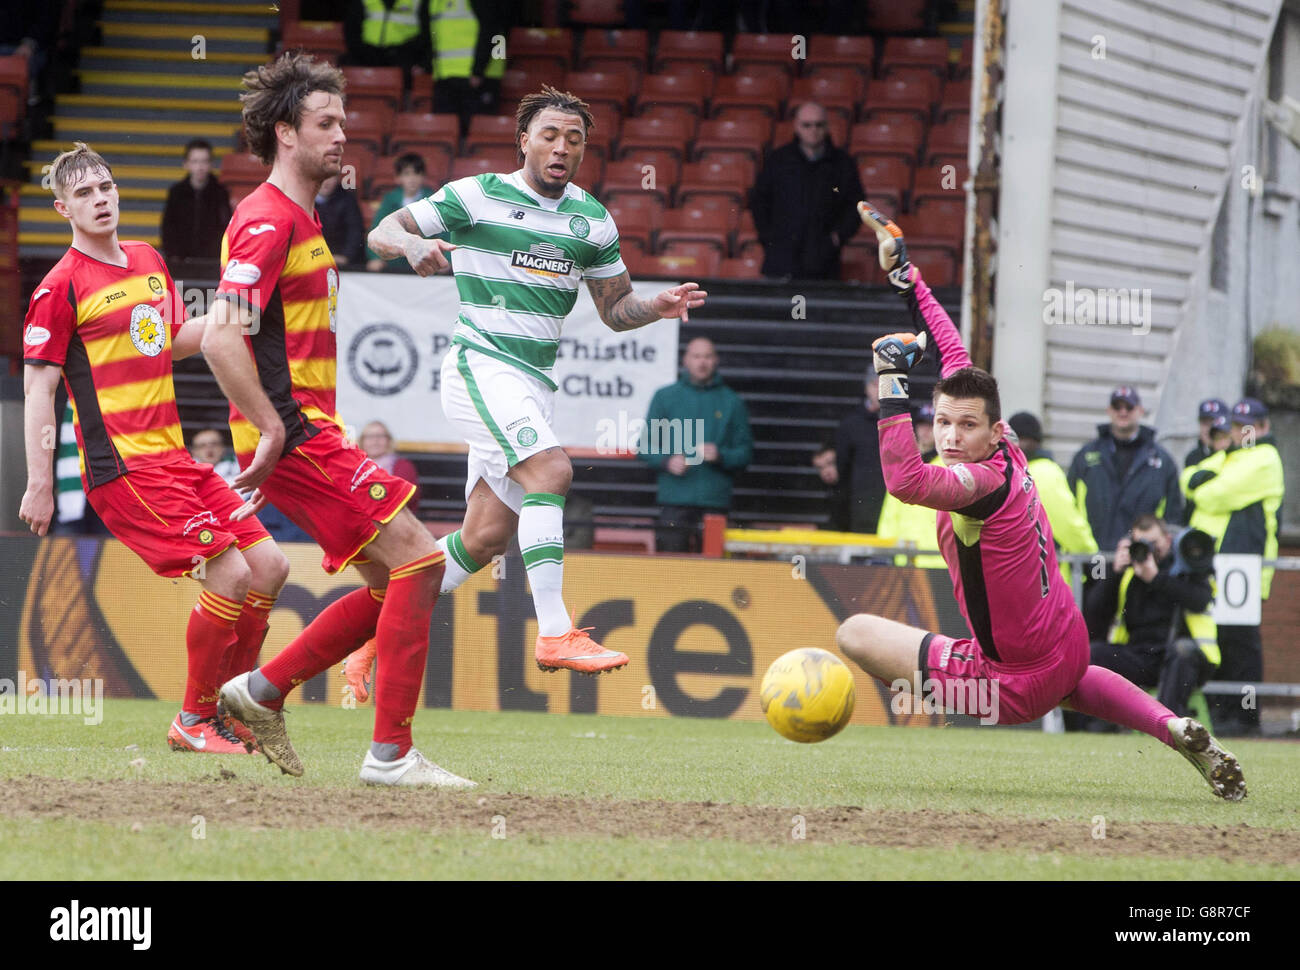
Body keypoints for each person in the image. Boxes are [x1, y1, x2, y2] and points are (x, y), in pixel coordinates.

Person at [835, 202, 1246, 801]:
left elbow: (905, 483)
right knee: (1072, 679)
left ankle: (951, 690)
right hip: (1065, 642)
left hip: (1010, 686)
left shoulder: (976, 484)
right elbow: (954, 354)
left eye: (964, 426)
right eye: (942, 422)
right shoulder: (1011, 454)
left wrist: (893, 386)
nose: (950, 437)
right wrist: (910, 280)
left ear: (994, 431)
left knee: (853, 635)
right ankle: (1172, 725)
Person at [200, 52, 472, 790]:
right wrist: (274, 428)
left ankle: (258, 692)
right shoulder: (265, 219)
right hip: (299, 437)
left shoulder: (302, 217)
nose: (342, 135)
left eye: (344, 122)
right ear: (285, 133)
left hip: (314, 432)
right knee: (421, 559)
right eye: (325, 123)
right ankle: (390, 755)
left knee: (394, 583)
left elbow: (226, 331)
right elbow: (223, 336)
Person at [368, 84, 707, 673]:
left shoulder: (592, 221)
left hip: (533, 386)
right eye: (549, 135)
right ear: (524, 140)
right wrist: (411, 244)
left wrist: (657, 306)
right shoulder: (477, 196)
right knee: (553, 470)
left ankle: (368, 633)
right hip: (481, 364)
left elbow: (615, 308)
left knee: (483, 539)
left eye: (574, 140)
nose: (561, 147)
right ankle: (554, 632)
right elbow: (381, 231)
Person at [19, 143, 291, 757]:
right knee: (231, 569)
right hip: (125, 467)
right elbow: (38, 388)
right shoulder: (58, 287)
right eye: (84, 193)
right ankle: (193, 720)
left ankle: (231, 707)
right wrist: (39, 480)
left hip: (175, 460)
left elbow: (169, 340)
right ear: (63, 207)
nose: (100, 199)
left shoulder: (146, 259)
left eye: (106, 187)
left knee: (270, 565)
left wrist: (238, 309)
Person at [1183, 397, 1285, 736]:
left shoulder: (1265, 457)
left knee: (1242, 645)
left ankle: (1245, 719)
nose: (1243, 433)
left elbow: (1215, 494)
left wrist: (1206, 484)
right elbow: (1188, 478)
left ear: (1264, 427)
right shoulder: (1232, 456)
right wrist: (1206, 480)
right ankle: (1224, 719)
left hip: (1245, 567)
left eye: (1250, 427)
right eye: (1239, 427)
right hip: (1223, 566)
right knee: (1221, 640)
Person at [1077, 515, 1217, 728]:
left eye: (1154, 544)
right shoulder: (1129, 571)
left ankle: (1168, 725)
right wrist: (1115, 573)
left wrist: (1156, 578)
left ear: (1168, 540)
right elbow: (1094, 614)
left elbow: (1199, 600)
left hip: (1178, 655)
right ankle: (1098, 725)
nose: (1149, 550)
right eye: (1142, 544)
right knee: (1094, 653)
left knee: (1182, 651)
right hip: (1140, 653)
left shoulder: (1186, 564)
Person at [640, 337, 753, 553]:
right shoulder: (665, 397)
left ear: (716, 360)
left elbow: (745, 454)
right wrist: (667, 461)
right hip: (674, 500)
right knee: (670, 571)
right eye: (696, 356)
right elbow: (644, 445)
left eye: (708, 356)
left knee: (713, 575)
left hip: (715, 502)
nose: (702, 362)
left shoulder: (732, 402)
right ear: (685, 360)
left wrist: (720, 455)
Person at [749, 101, 863, 281]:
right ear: (796, 126)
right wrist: (768, 238)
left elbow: (856, 205)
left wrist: (837, 237)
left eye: (819, 124)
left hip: (823, 263)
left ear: (826, 126)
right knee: (776, 309)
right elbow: (759, 202)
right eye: (807, 125)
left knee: (819, 309)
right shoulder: (778, 160)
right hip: (780, 260)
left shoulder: (842, 163)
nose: (813, 130)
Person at [1068, 386, 1184, 554]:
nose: (1123, 412)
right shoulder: (1086, 456)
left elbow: (1173, 515)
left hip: (1142, 556)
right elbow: (1070, 504)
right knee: (1097, 578)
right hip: (1094, 556)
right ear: (1109, 410)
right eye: (1117, 407)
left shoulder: (1161, 460)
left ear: (1140, 411)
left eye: (1129, 407)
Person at [1006, 411, 1098, 584]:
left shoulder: (999, 471)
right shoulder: (1045, 472)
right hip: (1041, 580)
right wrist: (1093, 559)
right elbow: (1068, 526)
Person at [876, 403, 945, 567]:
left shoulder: (949, 466)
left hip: (939, 561)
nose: (926, 431)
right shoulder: (903, 465)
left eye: (931, 425)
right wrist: (883, 550)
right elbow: (890, 514)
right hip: (905, 560)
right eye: (922, 425)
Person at [428, 0, 510, 137]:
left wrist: (478, 70)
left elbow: (490, 29)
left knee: (478, 135)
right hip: (445, 75)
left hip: (477, 77)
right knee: (444, 137)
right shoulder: (436, 2)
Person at [160, 139, 233, 275]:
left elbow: (225, 227)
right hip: (181, 263)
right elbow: (168, 227)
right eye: (195, 161)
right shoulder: (176, 192)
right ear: (186, 164)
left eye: (204, 161)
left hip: (212, 264)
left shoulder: (220, 192)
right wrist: (174, 256)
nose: (200, 167)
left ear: (211, 164)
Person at [833, 363, 888, 533]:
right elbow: (841, 470)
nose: (879, 391)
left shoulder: (905, 422)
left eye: (884, 386)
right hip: (860, 508)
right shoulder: (851, 424)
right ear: (866, 388)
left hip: (892, 507)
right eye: (874, 385)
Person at [366, 153, 434, 271]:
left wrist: (446, 260)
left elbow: (445, 233)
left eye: (416, 173)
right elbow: (377, 229)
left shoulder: (432, 199)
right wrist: (375, 257)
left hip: (425, 264)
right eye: (407, 174)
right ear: (398, 178)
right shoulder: (389, 199)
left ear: (423, 177)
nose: (412, 178)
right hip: (392, 265)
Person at [344, 0, 430, 92]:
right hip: (366, 55)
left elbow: (428, 34)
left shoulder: (419, 2)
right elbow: (351, 32)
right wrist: (366, 53)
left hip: (405, 57)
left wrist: (421, 61)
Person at [316, 173, 366, 267]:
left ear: (338, 178)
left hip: (344, 264)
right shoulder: (302, 200)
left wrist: (346, 256)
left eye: (330, 177)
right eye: (321, 176)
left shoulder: (348, 200)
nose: (326, 182)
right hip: (312, 262)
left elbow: (355, 232)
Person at [1185, 398, 1229, 468]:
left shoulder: (1233, 456)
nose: (1209, 429)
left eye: (1214, 422)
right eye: (1204, 423)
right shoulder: (1193, 458)